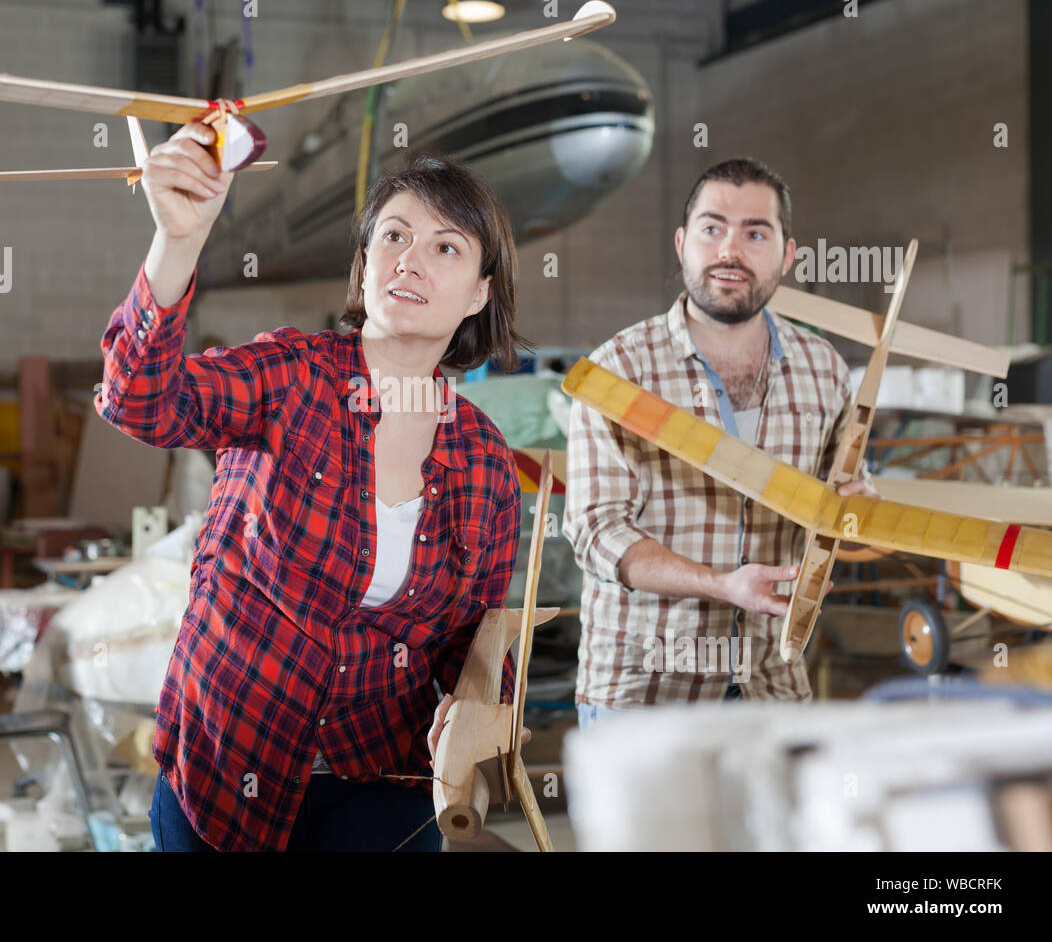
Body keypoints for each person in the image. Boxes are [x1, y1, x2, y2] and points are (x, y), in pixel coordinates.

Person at [94, 127, 529, 851]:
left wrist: (486, 702)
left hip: (380, 777)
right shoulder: (288, 374)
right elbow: (138, 396)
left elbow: (474, 634)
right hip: (228, 763)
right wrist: (177, 244)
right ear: (363, 268)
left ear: (481, 291)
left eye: (445, 246)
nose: (410, 261)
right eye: (393, 236)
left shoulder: (483, 458)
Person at [562, 157, 876, 723]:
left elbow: (840, 508)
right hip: (645, 691)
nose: (730, 250)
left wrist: (857, 523)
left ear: (788, 255)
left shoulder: (824, 369)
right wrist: (723, 586)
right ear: (683, 243)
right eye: (713, 228)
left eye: (756, 232)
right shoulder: (617, 371)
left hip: (772, 682)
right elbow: (595, 530)